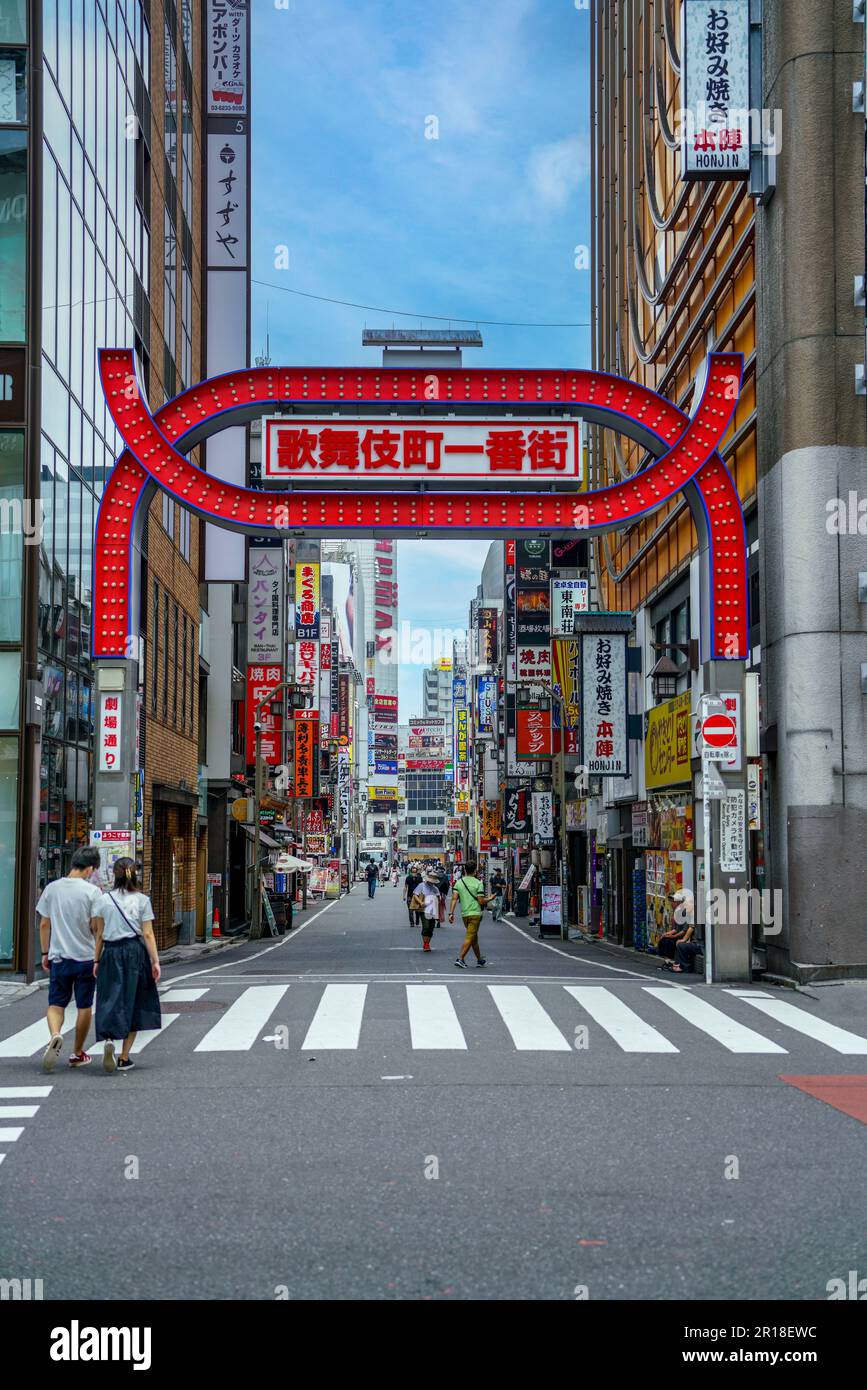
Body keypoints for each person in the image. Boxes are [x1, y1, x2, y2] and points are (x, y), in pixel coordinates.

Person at [36, 847, 103, 1071]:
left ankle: (55, 1034)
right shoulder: (93, 892)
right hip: (85, 957)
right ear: (91, 868)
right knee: (84, 1005)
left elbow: (44, 924)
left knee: (56, 1004)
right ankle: (77, 1052)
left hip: (59, 957)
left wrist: (45, 953)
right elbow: (95, 927)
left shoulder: (52, 889)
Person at [92, 858, 161, 1073]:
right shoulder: (142, 900)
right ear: (135, 875)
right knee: (135, 1000)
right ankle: (123, 1057)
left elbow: (100, 934)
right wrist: (155, 961)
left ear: (114, 875)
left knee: (110, 998)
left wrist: (96, 960)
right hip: (134, 952)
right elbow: (147, 934)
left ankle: (109, 1039)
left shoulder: (104, 900)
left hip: (111, 953)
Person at [449, 860, 492, 969]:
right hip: (475, 913)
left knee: (473, 937)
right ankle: (461, 959)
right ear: (475, 870)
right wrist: (490, 899)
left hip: (464, 914)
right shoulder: (478, 883)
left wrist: (451, 913)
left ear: (465, 870)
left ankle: (479, 959)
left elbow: (454, 899)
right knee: (470, 936)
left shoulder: (459, 883)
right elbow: (481, 901)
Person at [417, 873, 442, 952]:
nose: (432, 882)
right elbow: (415, 895)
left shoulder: (435, 889)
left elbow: (438, 900)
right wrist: (421, 902)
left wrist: (438, 914)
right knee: (426, 927)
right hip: (424, 910)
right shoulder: (421, 885)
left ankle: (427, 943)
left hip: (433, 911)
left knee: (431, 928)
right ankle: (426, 944)